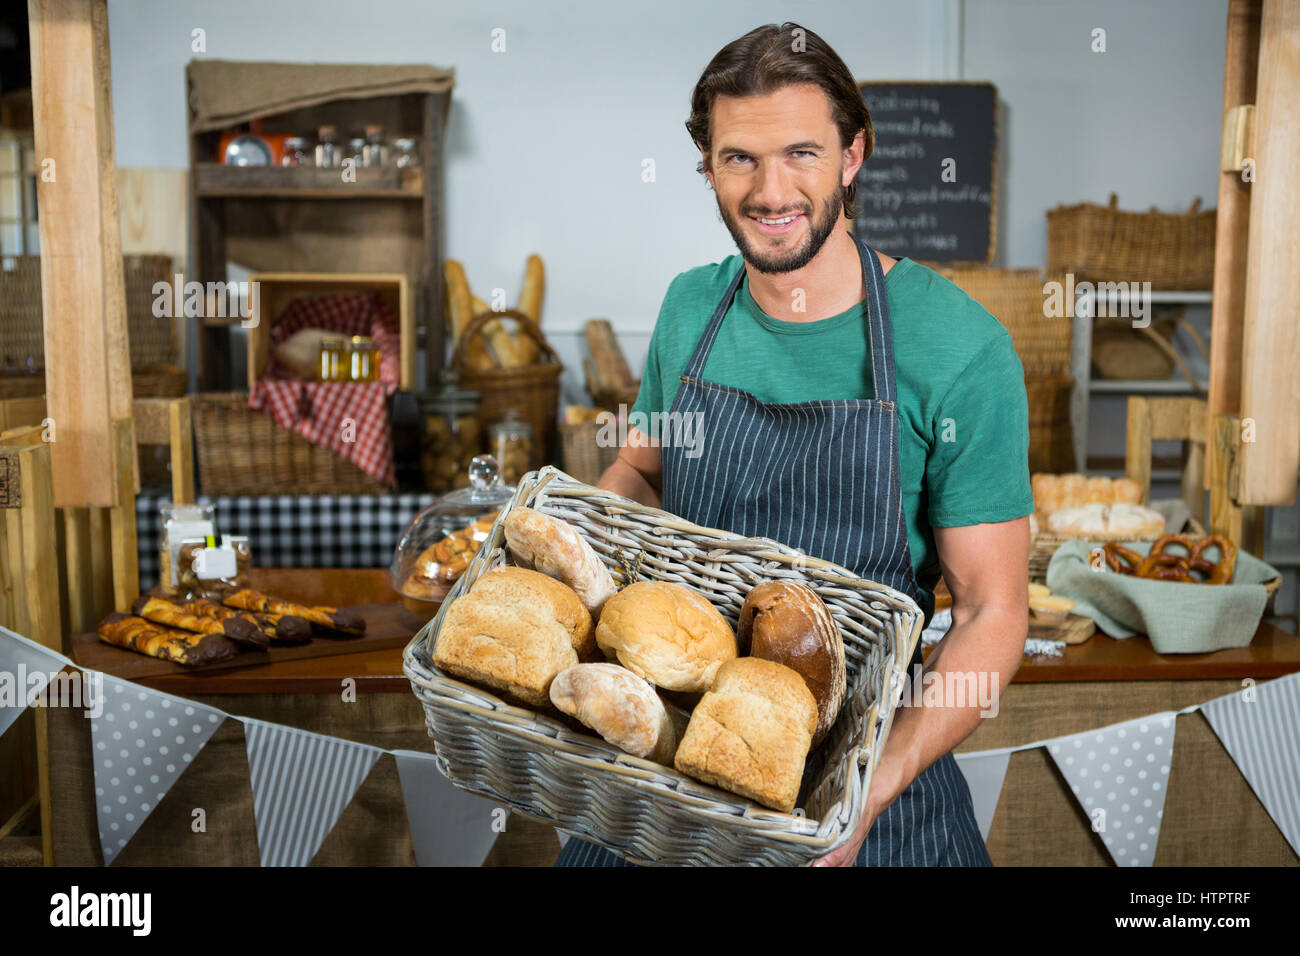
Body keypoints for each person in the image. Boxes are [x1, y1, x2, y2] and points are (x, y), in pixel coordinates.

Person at [556, 21, 1030, 867]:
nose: (772, 191)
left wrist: (871, 786)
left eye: (802, 154)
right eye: (739, 158)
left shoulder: (959, 346)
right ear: (707, 166)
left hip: (876, 791)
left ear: (854, 155)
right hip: (676, 770)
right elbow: (642, 471)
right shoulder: (689, 309)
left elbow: (993, 610)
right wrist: (576, 553)